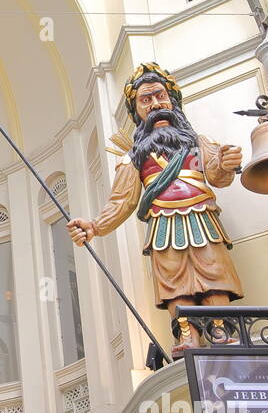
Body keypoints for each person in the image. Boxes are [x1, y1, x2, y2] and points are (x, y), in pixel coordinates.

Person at [67, 62, 244, 354]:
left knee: (213, 272)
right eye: (145, 100)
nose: (155, 104)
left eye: (160, 96)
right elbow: (122, 201)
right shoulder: (133, 158)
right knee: (175, 281)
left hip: (202, 218)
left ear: (172, 101)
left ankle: (221, 328)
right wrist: (95, 226)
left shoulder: (200, 143)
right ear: (136, 111)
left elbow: (217, 176)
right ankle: (187, 334)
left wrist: (227, 162)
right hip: (163, 224)